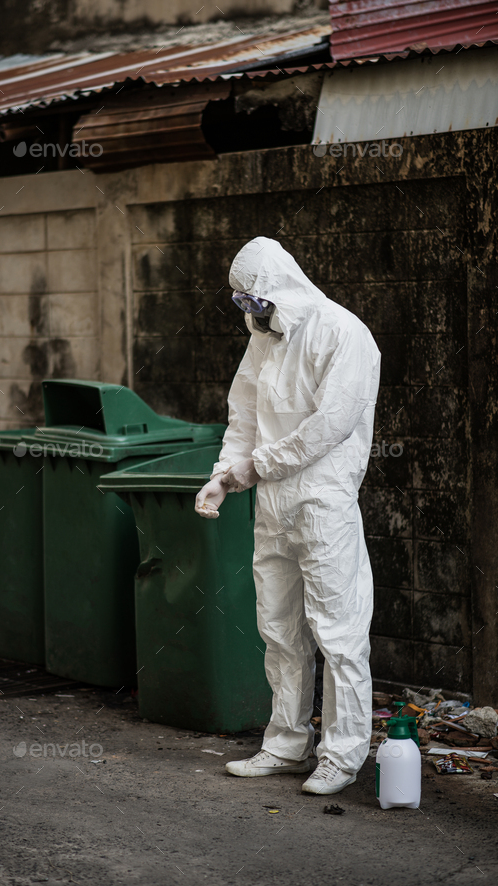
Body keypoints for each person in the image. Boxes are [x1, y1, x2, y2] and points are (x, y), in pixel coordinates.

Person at [195, 237, 381, 795]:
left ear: (281, 290)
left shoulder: (344, 333)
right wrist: (225, 474)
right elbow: (243, 413)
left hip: (323, 504)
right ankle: (286, 743)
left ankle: (343, 756)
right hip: (272, 502)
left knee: (339, 632)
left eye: (257, 303)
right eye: (243, 306)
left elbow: (331, 425)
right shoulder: (264, 339)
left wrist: (253, 467)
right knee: (278, 629)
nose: (252, 316)